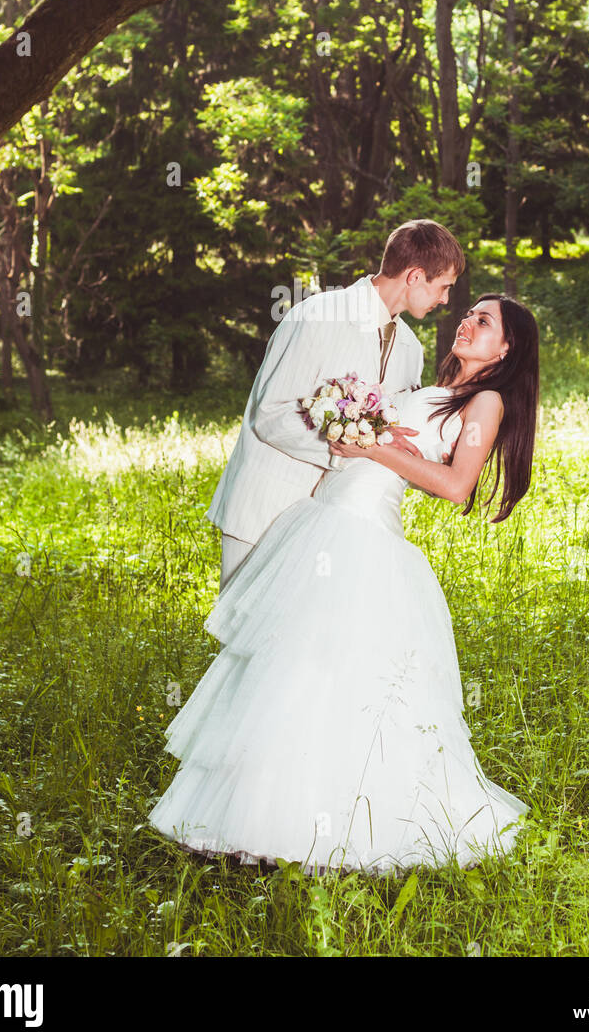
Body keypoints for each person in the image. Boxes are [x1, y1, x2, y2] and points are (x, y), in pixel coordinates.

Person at [148, 291, 540, 878]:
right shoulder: (439, 389)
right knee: (293, 671)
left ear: (506, 348)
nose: (465, 322)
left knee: (334, 674)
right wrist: (356, 433)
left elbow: (457, 484)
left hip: (360, 533)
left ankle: (336, 824)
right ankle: (254, 817)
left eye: (483, 322)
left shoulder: (485, 401)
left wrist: (374, 445)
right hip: (325, 519)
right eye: (467, 313)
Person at [206, 219, 465, 593]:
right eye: (443, 287)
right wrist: (355, 450)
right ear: (415, 276)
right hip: (265, 509)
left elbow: (393, 436)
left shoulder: (410, 348)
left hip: (333, 523)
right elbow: (271, 414)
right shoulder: (316, 316)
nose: (444, 299)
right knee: (246, 642)